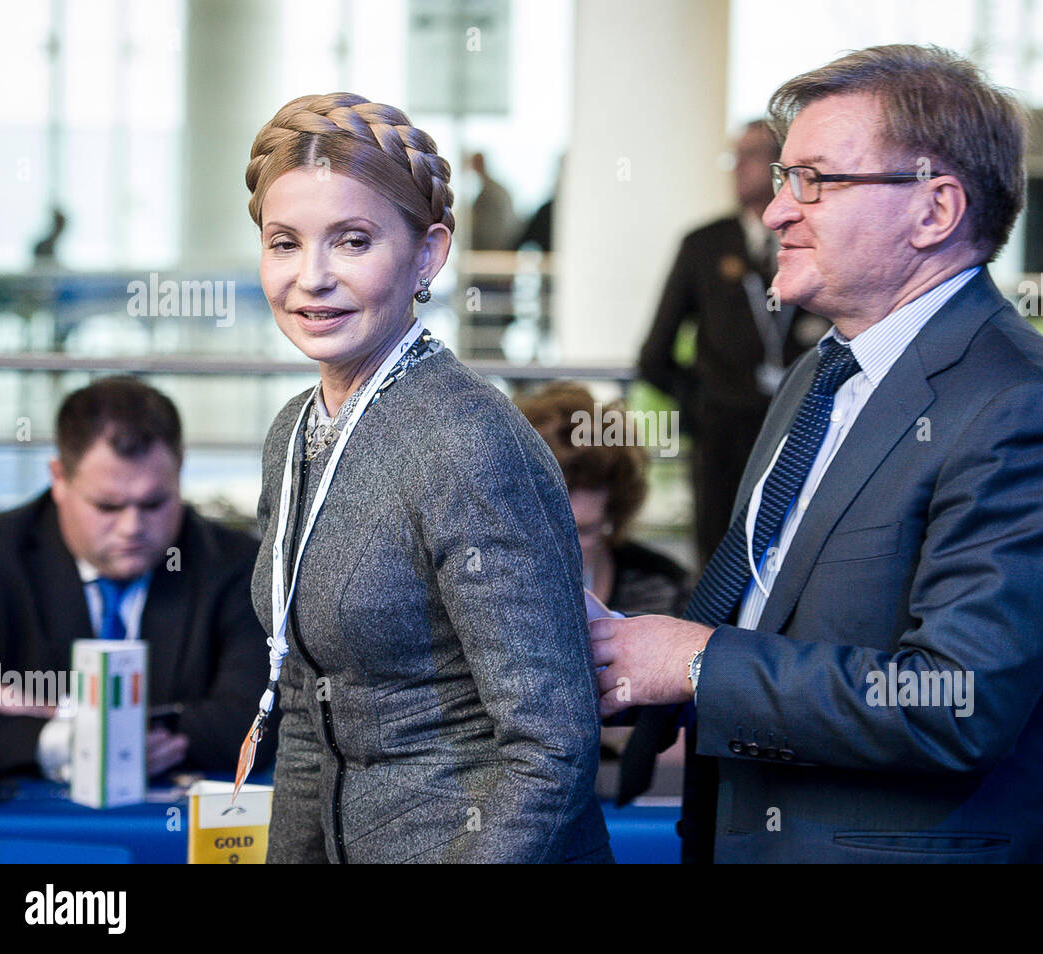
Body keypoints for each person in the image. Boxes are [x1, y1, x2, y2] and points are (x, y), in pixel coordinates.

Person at [592, 45, 1043, 863]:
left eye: (816, 179)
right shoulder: (826, 370)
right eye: (781, 177)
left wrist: (697, 662)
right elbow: (769, 605)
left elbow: (955, 703)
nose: (775, 211)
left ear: (934, 210)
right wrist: (635, 661)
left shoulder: (1025, 412)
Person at [245, 93, 609, 863]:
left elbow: (553, 745)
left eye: (352, 241)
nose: (312, 278)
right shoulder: (294, 433)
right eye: (285, 243)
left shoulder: (470, 443)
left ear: (428, 255)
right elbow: (311, 717)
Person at [0, 376, 274, 781]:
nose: (132, 527)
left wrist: (66, 720)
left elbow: (252, 720)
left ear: (180, 469)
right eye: (108, 506)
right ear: (59, 478)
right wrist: (62, 743)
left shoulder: (237, 566)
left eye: (154, 502)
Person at [638, 120, 825, 564]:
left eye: (753, 154)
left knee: (797, 559)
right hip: (722, 440)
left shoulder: (814, 241)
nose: (738, 166)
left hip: (801, 432)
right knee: (719, 563)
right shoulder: (704, 245)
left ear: (783, 167)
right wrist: (702, 406)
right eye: (734, 155)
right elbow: (653, 356)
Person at [515, 382, 690, 619]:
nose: (562, 551)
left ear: (613, 517)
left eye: (583, 531)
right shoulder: (474, 587)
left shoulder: (665, 590)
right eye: (544, 528)